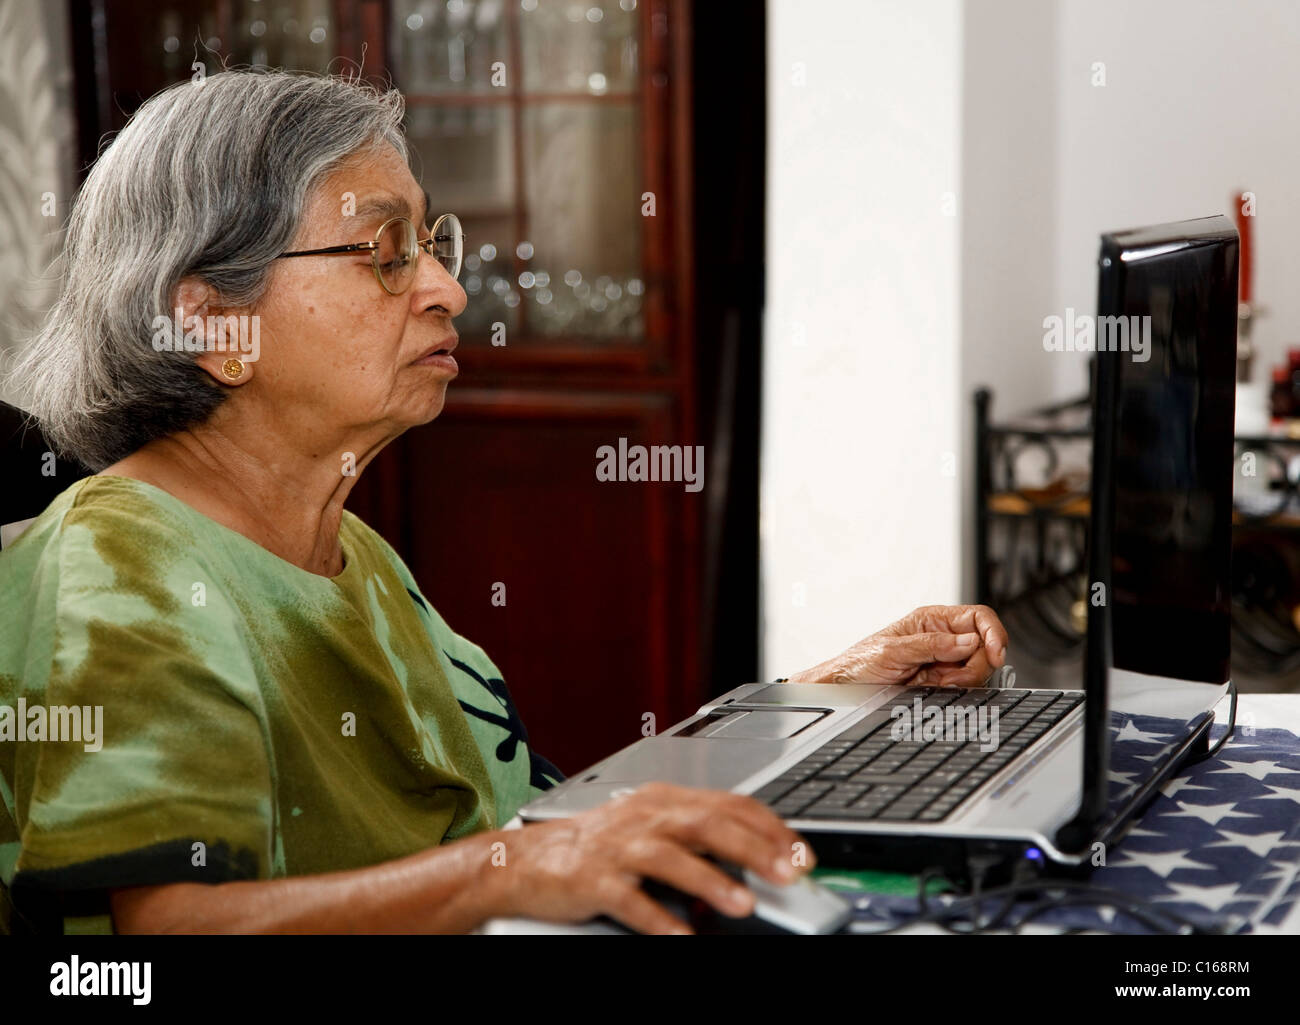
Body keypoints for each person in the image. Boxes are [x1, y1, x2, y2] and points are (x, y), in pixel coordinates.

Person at [0, 70, 1008, 935]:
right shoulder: (121, 562)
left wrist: (828, 692)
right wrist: (508, 872)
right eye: (382, 250)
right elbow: (166, 930)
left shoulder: (344, 548)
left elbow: (552, 812)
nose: (446, 288)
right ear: (216, 327)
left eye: (430, 241)